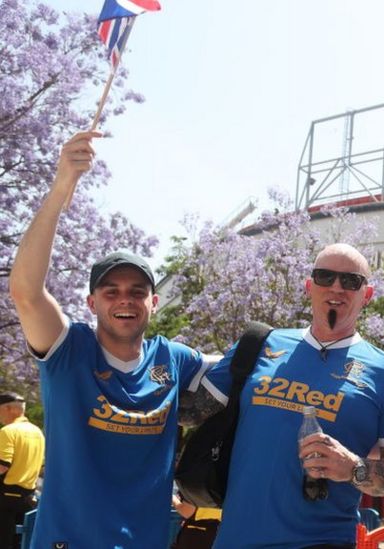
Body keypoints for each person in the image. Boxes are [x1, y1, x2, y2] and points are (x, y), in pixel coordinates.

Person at [8, 132, 212, 548]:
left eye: (137, 291)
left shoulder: (174, 359)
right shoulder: (68, 350)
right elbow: (26, 292)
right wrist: (61, 186)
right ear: (91, 302)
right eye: (111, 291)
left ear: (153, 302)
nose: (125, 299)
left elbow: (250, 367)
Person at [194, 243, 384, 548]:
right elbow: (187, 411)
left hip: (323, 541)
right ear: (309, 286)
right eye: (325, 276)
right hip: (234, 540)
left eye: (351, 281)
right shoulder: (260, 344)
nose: (336, 287)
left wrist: (353, 468)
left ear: (367, 294)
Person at [0, 393, 43, 549]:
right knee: (20, 543)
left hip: (5, 499)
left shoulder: (8, 431)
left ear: (8, 409)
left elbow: (2, 466)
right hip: (28, 499)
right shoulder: (37, 432)